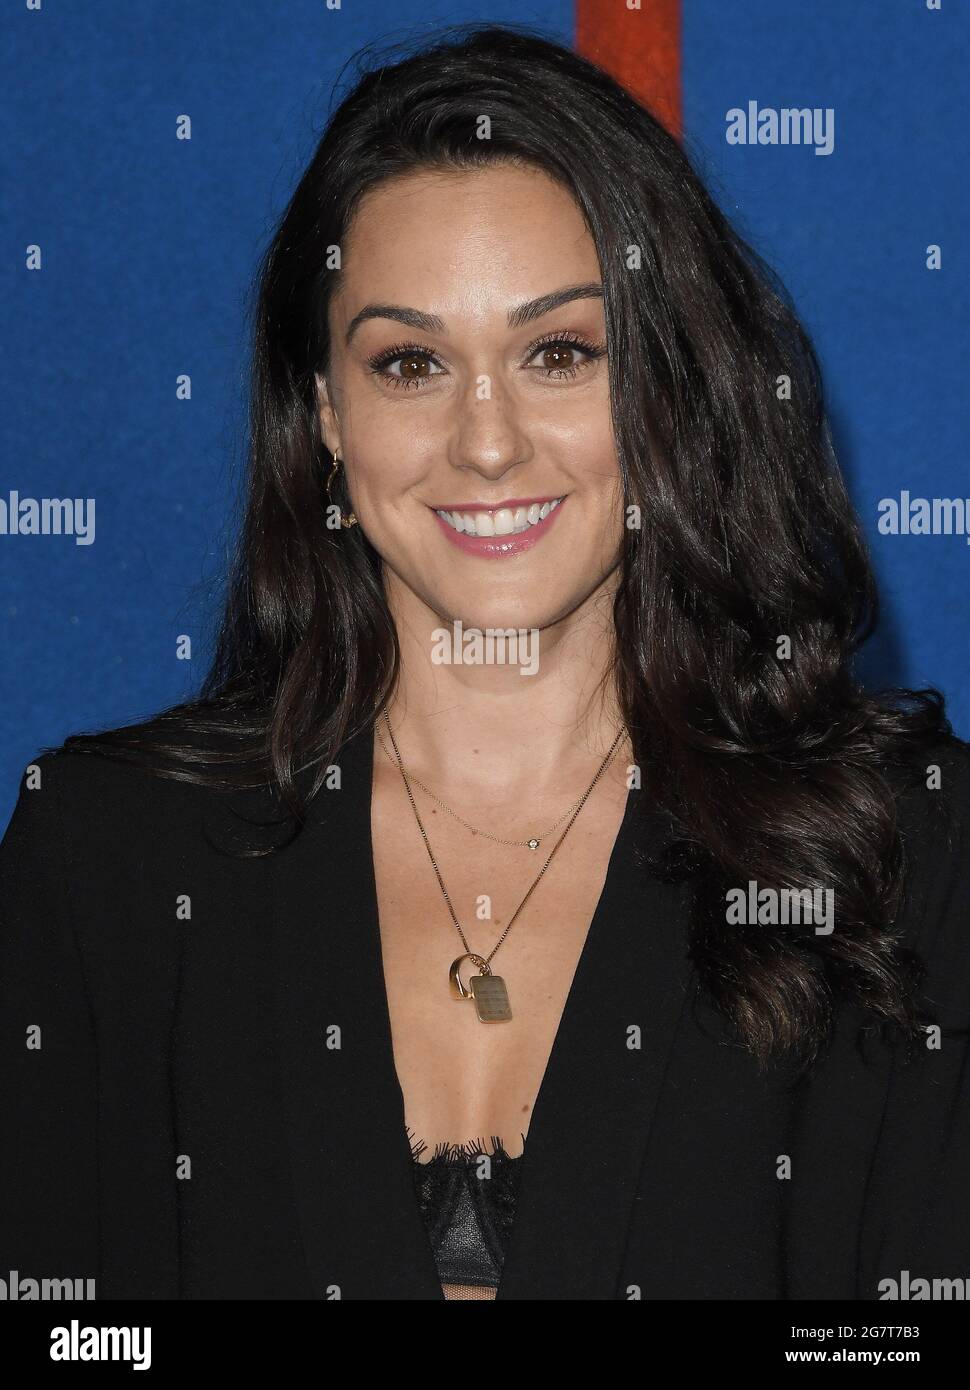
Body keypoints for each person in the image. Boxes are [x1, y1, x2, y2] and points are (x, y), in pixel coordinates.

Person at [1, 23, 968, 1302]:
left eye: (558, 352)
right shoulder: (107, 859)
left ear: (666, 382)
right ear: (327, 414)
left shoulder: (896, 852)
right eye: (410, 363)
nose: (489, 441)